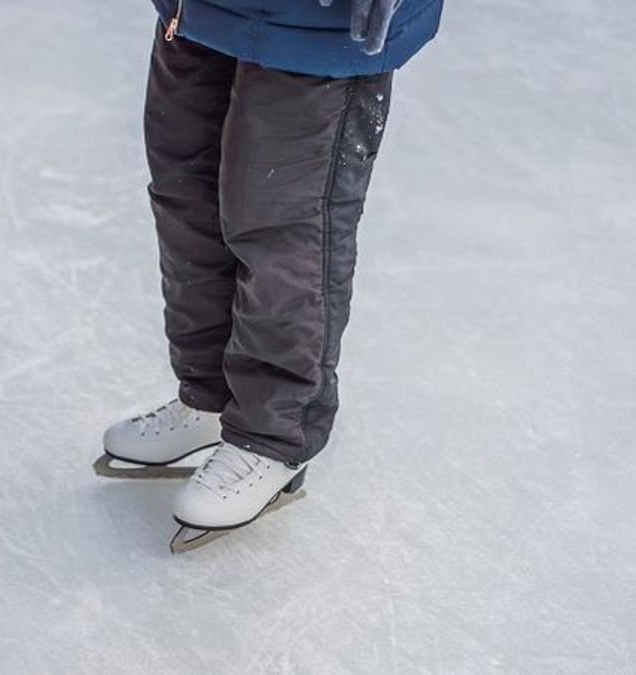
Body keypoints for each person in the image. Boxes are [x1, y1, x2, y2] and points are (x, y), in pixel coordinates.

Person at [95, 0, 443, 551]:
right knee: (189, 199)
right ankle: (210, 398)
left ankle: (274, 435)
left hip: (317, 27)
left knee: (285, 225)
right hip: (200, 12)